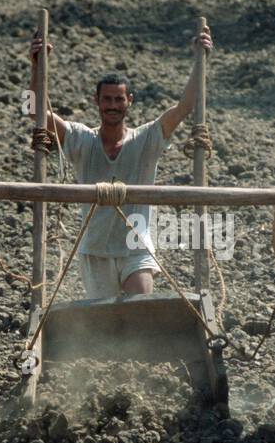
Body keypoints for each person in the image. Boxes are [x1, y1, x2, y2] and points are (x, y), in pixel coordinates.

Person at [28, 25, 214, 299]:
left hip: (135, 247)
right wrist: (35, 66)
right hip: (95, 250)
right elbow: (33, 110)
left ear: (129, 102)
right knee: (108, 323)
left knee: (139, 307)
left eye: (118, 99)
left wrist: (202, 60)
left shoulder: (145, 140)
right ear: (97, 102)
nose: (112, 105)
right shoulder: (82, 140)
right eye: (107, 99)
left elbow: (185, 107)